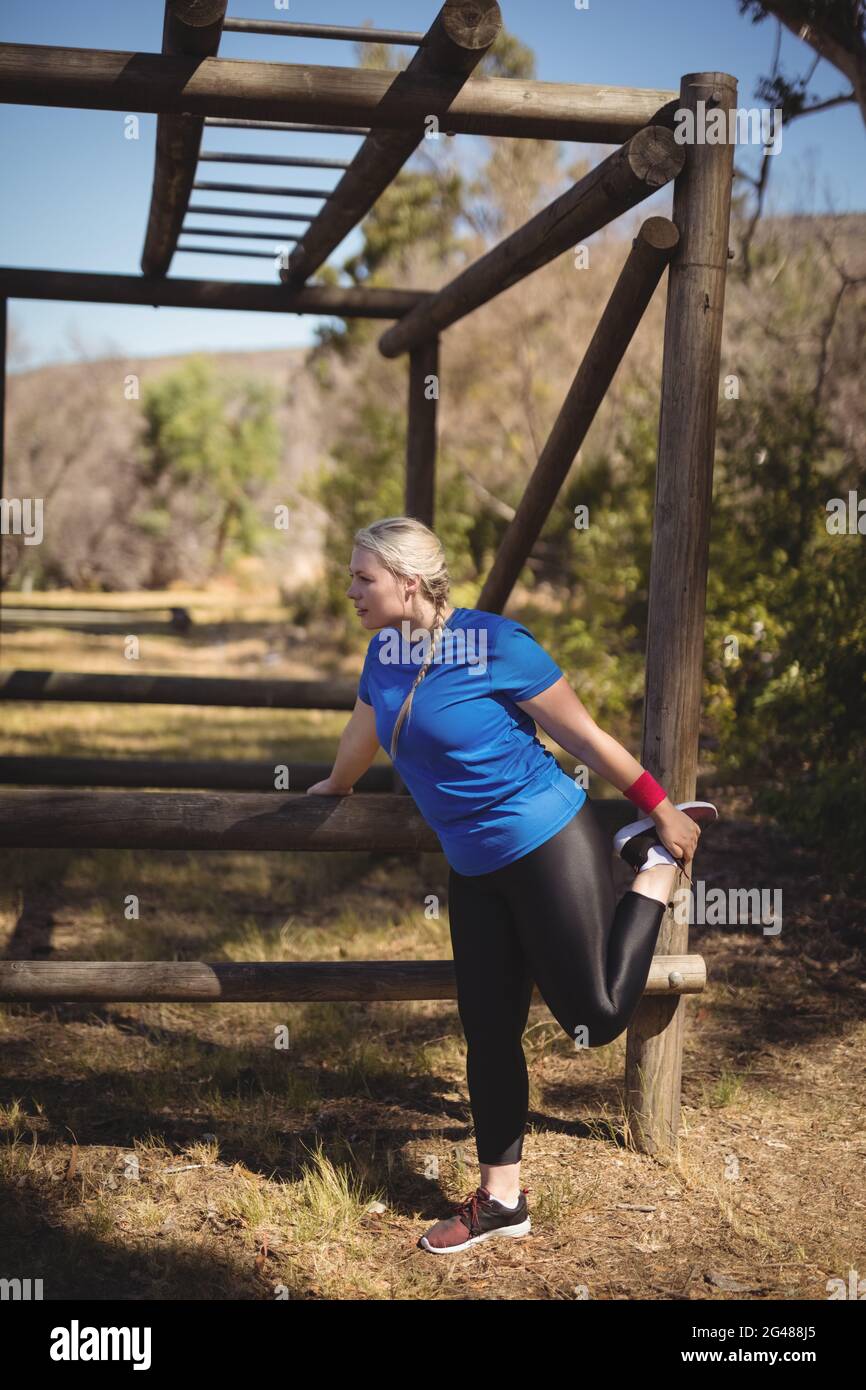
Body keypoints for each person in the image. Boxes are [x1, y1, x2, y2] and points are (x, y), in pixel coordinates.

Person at [307, 516, 717, 1255]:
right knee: (489, 1032)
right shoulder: (384, 654)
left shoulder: (497, 644)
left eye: (363, 577)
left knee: (595, 1015)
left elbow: (585, 736)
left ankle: (651, 867)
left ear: (408, 582)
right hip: (472, 870)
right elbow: (361, 737)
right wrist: (334, 786)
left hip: (546, 841)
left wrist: (660, 808)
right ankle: (502, 1200)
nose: (351, 590)